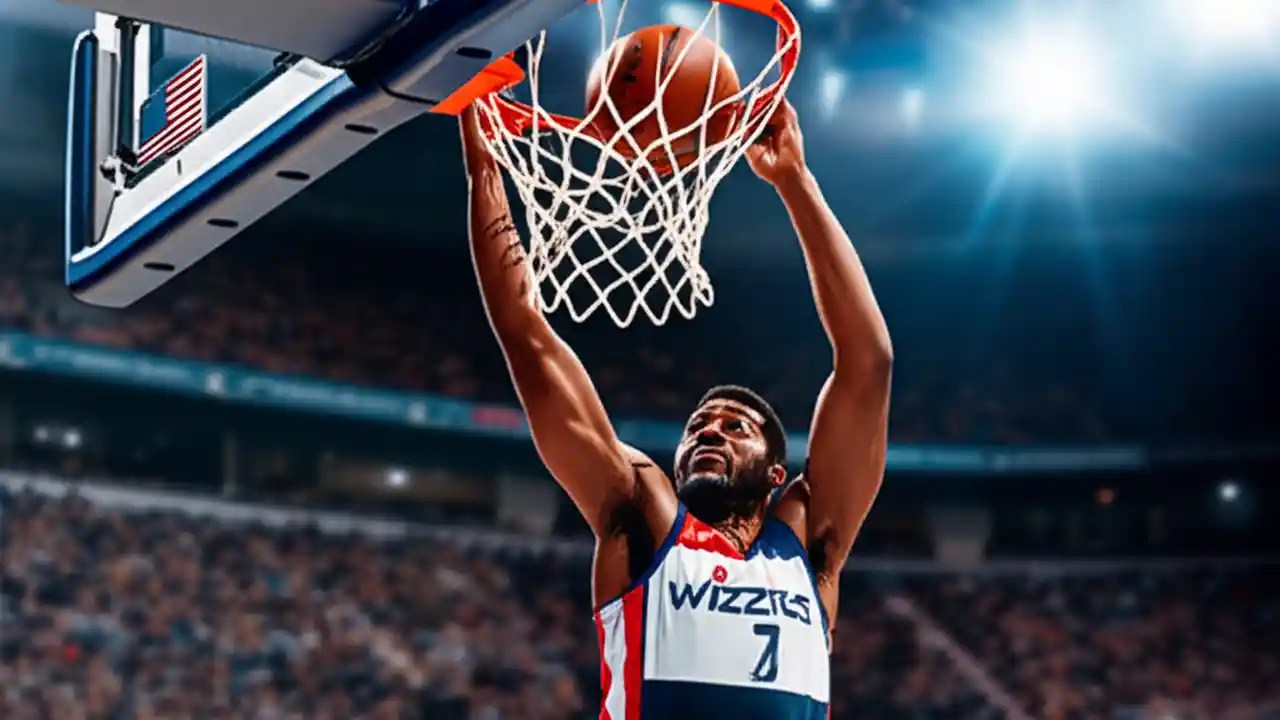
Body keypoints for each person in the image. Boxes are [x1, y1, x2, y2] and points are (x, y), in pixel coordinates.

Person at [459, 99, 892, 719]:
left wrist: (795, 181)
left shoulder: (809, 540)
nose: (709, 431)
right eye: (698, 427)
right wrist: (486, 173)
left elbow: (868, 362)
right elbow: (525, 333)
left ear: (777, 472)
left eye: (735, 427)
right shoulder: (643, 513)